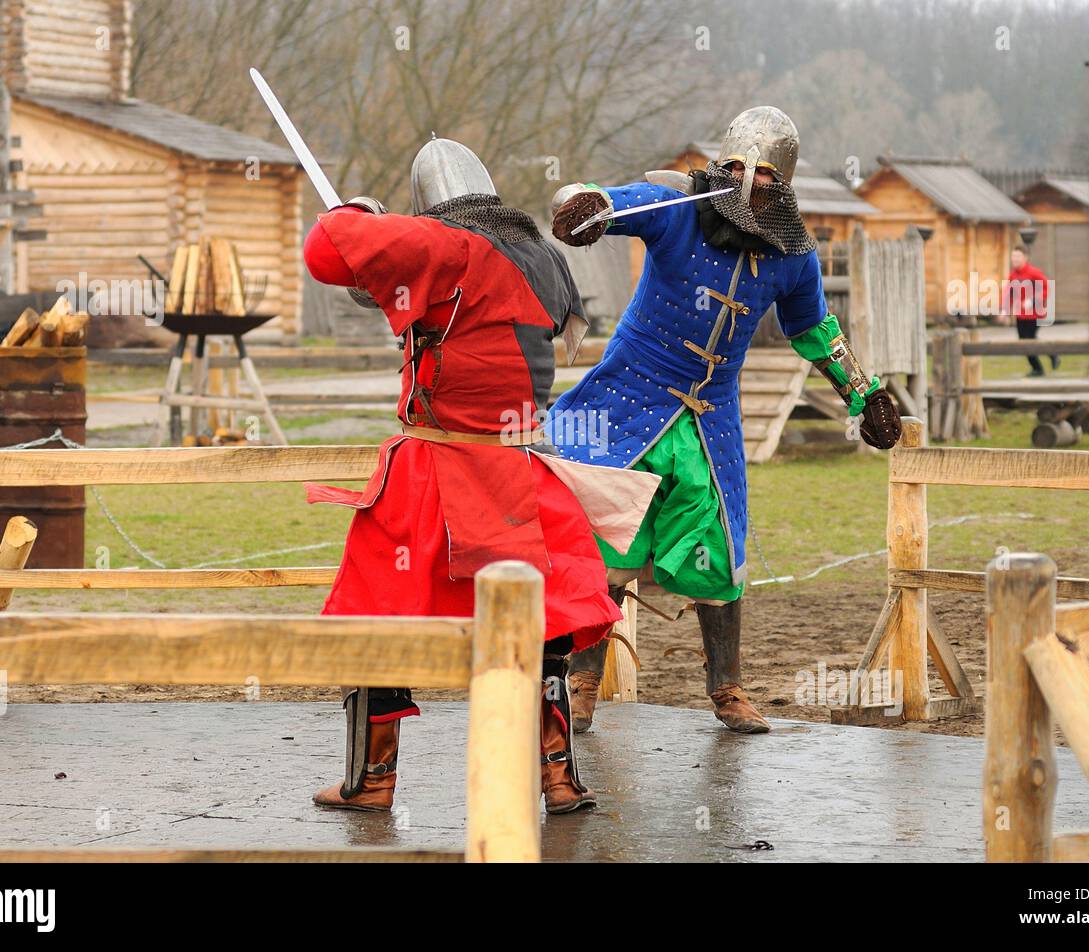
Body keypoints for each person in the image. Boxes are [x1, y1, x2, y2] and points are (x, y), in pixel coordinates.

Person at [301, 138, 658, 815]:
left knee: (379, 614)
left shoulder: (442, 245)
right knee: (545, 622)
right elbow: (473, 318)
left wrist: (359, 212)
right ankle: (557, 776)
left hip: (434, 468)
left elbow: (326, 250)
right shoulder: (540, 256)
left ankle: (372, 780)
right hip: (521, 465)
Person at [547, 106, 901, 735]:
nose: (743, 182)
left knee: (717, 546)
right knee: (609, 542)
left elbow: (814, 327)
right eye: (735, 167)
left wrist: (863, 390)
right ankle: (580, 684)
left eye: (761, 174)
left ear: (782, 184)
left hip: (710, 415)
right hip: (631, 395)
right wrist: (587, 206)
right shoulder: (679, 208)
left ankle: (727, 688)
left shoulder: (793, 255)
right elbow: (618, 203)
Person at [1002, 245, 1053, 376]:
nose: (1014, 259)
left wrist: (1033, 300)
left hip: (1034, 314)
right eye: (1013, 256)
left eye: (1017, 256)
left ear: (1025, 258)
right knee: (1024, 342)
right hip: (1020, 315)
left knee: (1029, 340)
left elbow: (1046, 288)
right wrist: (1005, 311)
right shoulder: (1013, 275)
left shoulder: (1033, 272)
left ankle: (1038, 368)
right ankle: (1050, 356)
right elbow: (1009, 294)